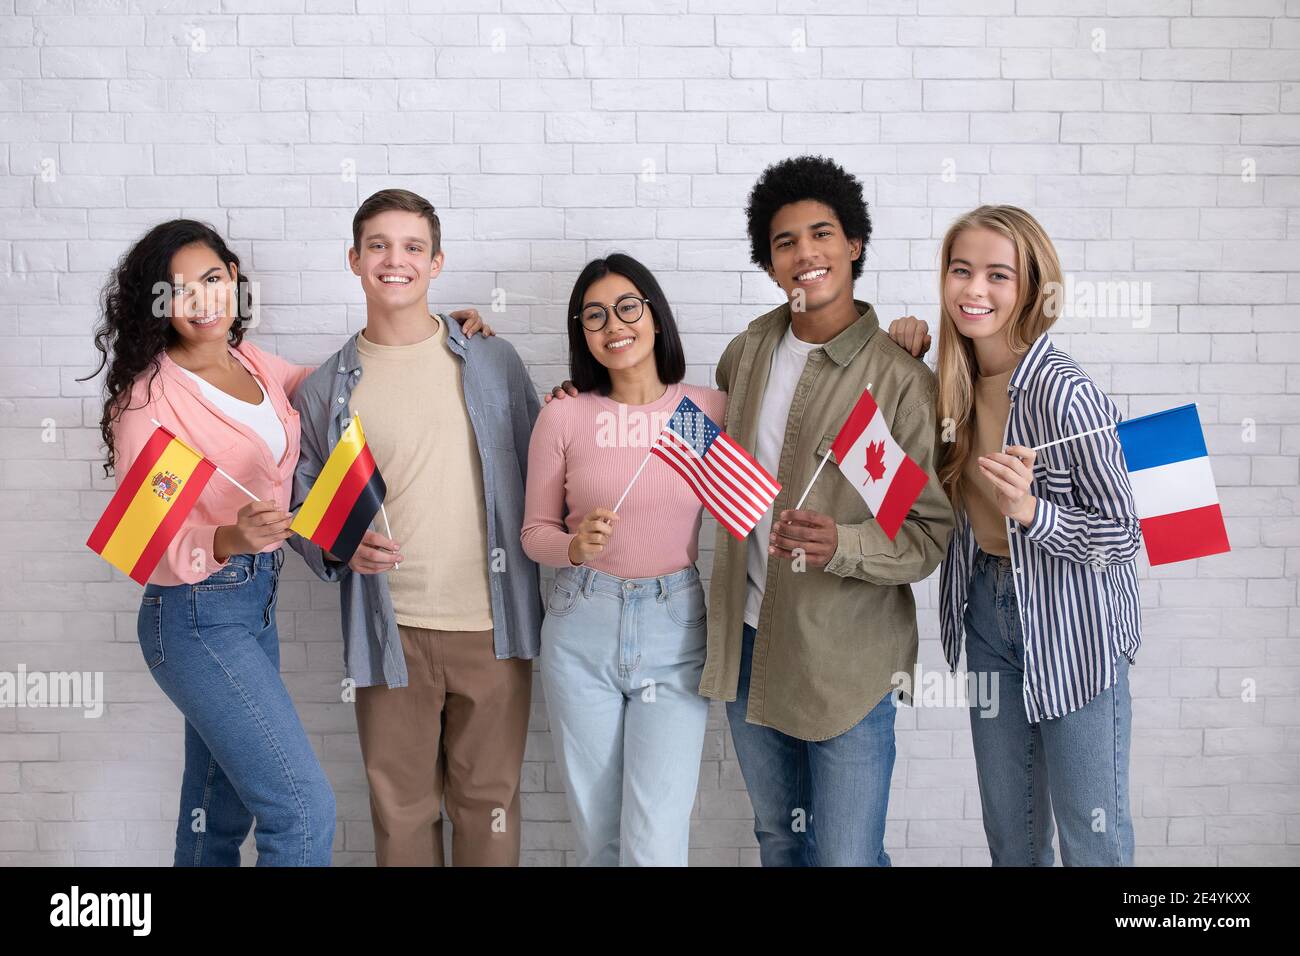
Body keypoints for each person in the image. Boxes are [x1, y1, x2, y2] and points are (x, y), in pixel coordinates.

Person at [289, 188, 541, 867]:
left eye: (411, 247)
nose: (393, 260)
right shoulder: (324, 389)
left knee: (488, 807)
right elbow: (302, 503)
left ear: (436, 262)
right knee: (400, 814)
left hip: (494, 627)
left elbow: (544, 466)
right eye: (378, 245)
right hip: (387, 634)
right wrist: (336, 544)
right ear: (353, 259)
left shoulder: (493, 362)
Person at [887, 204, 1141, 866]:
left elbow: (1122, 535)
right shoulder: (948, 383)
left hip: (1073, 625)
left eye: (998, 275)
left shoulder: (1064, 392)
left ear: (1031, 286)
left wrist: (1033, 512)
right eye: (961, 270)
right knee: (1013, 838)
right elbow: (900, 485)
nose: (975, 290)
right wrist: (894, 359)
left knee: (1093, 840)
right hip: (987, 618)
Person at [88, 219, 336, 866]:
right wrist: (229, 534)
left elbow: (322, 387)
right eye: (178, 290)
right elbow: (145, 539)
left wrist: (417, 339)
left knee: (215, 821)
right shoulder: (153, 402)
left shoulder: (250, 362)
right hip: (195, 619)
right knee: (303, 811)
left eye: (213, 279)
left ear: (234, 280)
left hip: (254, 607)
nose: (200, 300)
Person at [521, 254, 723, 866]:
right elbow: (534, 531)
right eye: (595, 316)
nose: (615, 325)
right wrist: (571, 548)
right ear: (582, 334)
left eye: (628, 307)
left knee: (655, 836)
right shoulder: (565, 414)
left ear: (655, 317)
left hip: (674, 627)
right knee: (598, 833)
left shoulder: (704, 412)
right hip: (583, 624)